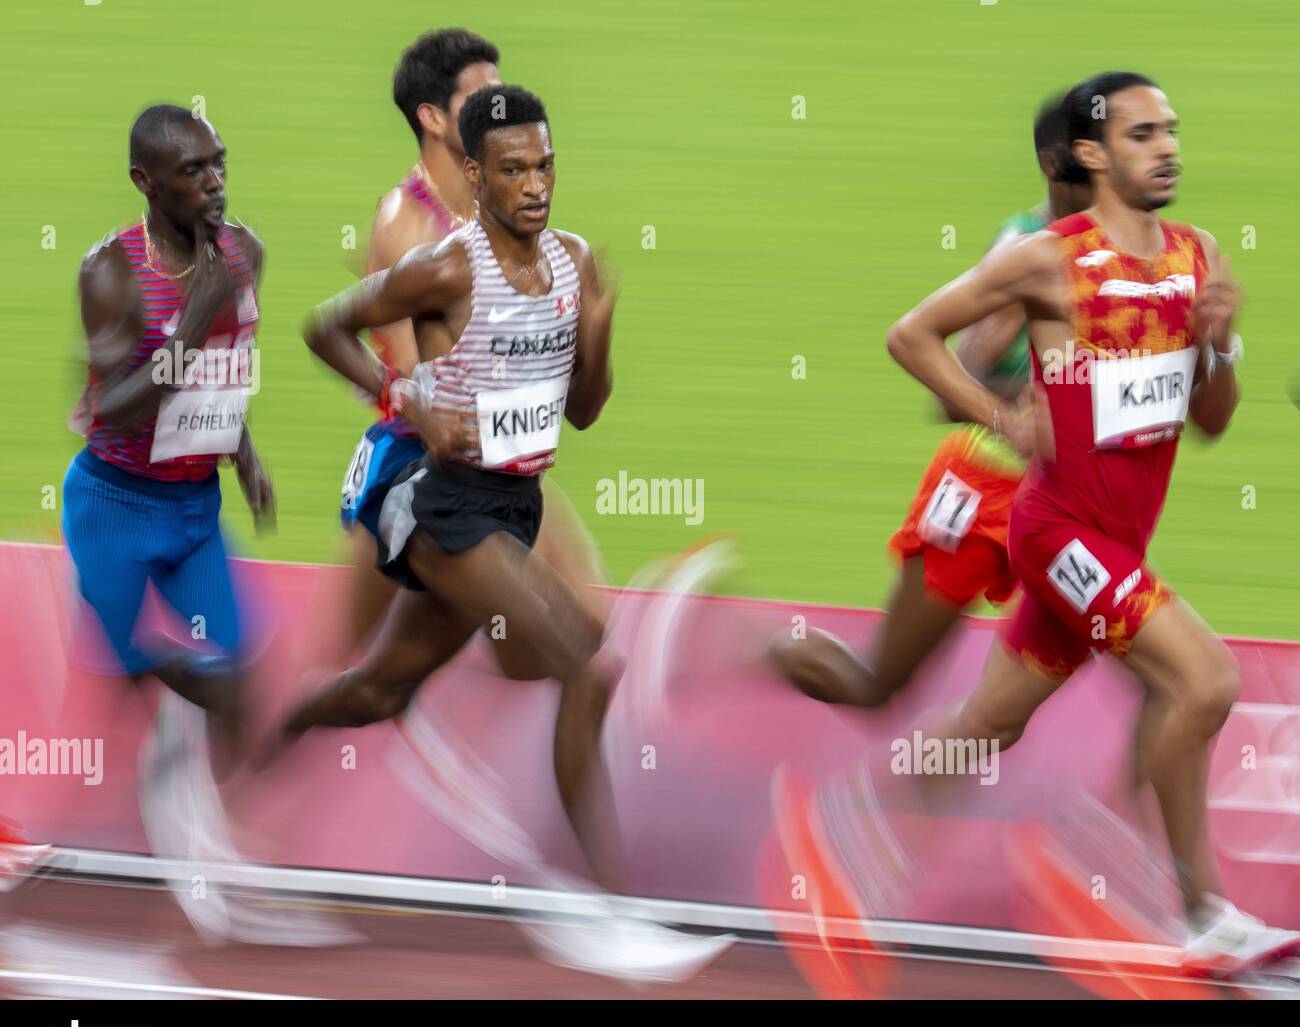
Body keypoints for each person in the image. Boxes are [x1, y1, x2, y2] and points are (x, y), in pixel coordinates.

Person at [793, 72, 1295, 976]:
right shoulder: (1048, 259)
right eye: (1145, 134)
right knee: (1206, 683)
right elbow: (911, 335)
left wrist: (1216, 343)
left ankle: (845, 824)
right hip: (1060, 531)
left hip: (1121, 535)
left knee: (993, 721)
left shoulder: (1196, 255)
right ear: (1095, 154)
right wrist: (997, 413)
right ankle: (1188, 907)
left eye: (1173, 130)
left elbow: (1211, 420)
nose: (1169, 147)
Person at [276, 85, 729, 979]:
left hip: (514, 505)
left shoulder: (575, 261)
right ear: (475, 177)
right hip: (447, 507)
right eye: (513, 170)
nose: (535, 185)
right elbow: (326, 326)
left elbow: (586, 411)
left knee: (381, 693)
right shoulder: (447, 266)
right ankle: (597, 906)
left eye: (546, 165)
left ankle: (273, 733)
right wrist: (407, 399)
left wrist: (598, 330)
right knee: (588, 661)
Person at [770, 93, 1092, 709]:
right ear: (1057, 164)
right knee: (876, 685)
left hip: (1067, 496)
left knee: (1150, 657)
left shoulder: (1102, 246)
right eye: (1092, 154)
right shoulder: (1026, 257)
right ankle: (743, 647)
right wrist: (1015, 412)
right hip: (987, 493)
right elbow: (954, 379)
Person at [340, 28, 608, 659]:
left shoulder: (489, 206)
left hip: (496, 465)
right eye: (481, 98)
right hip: (423, 468)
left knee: (556, 640)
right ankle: (228, 717)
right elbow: (416, 377)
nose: (502, 108)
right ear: (432, 119)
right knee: (343, 657)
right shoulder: (409, 229)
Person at [64, 104, 272, 778]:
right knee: (133, 665)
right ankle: (126, 646)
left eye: (219, 163)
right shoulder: (111, 274)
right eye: (192, 170)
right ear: (145, 181)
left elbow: (224, 371)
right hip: (114, 506)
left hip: (193, 511)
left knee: (238, 672)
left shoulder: (244, 253)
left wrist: (243, 453)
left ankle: (223, 823)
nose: (215, 182)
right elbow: (108, 413)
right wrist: (191, 321)